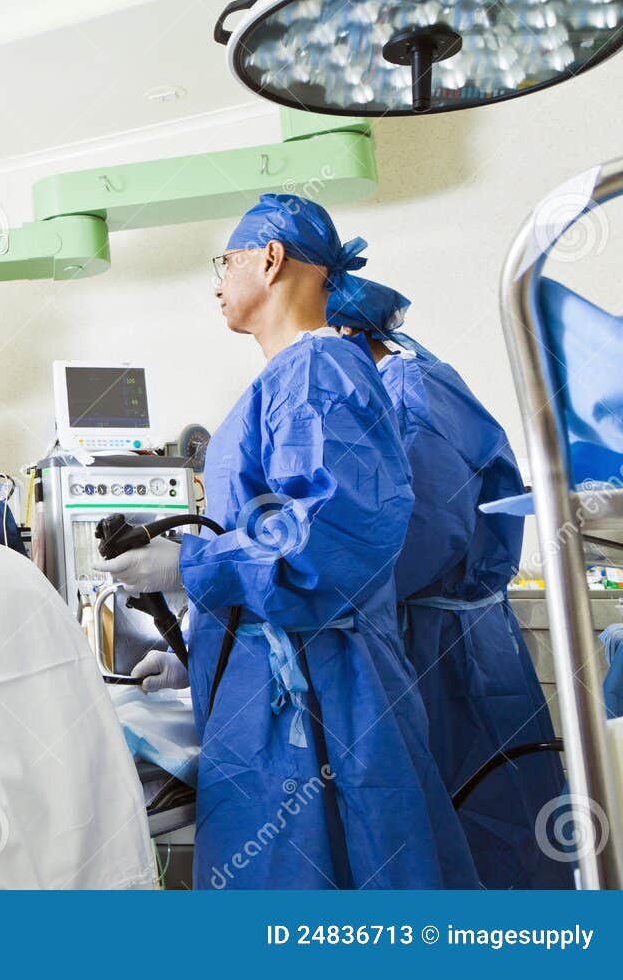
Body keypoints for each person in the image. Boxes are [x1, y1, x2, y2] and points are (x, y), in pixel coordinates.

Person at [95, 194, 477, 890]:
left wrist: (189, 561)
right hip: (277, 692)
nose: (217, 282)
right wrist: (195, 656)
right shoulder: (284, 381)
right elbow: (270, 546)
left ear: (270, 259)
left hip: (321, 707)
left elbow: (328, 542)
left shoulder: (319, 372)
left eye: (226, 262)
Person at [327, 274, 569, 889]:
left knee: (479, 829)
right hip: (453, 640)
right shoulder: (405, 385)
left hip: (446, 653)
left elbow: (415, 539)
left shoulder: (407, 397)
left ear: (345, 332)